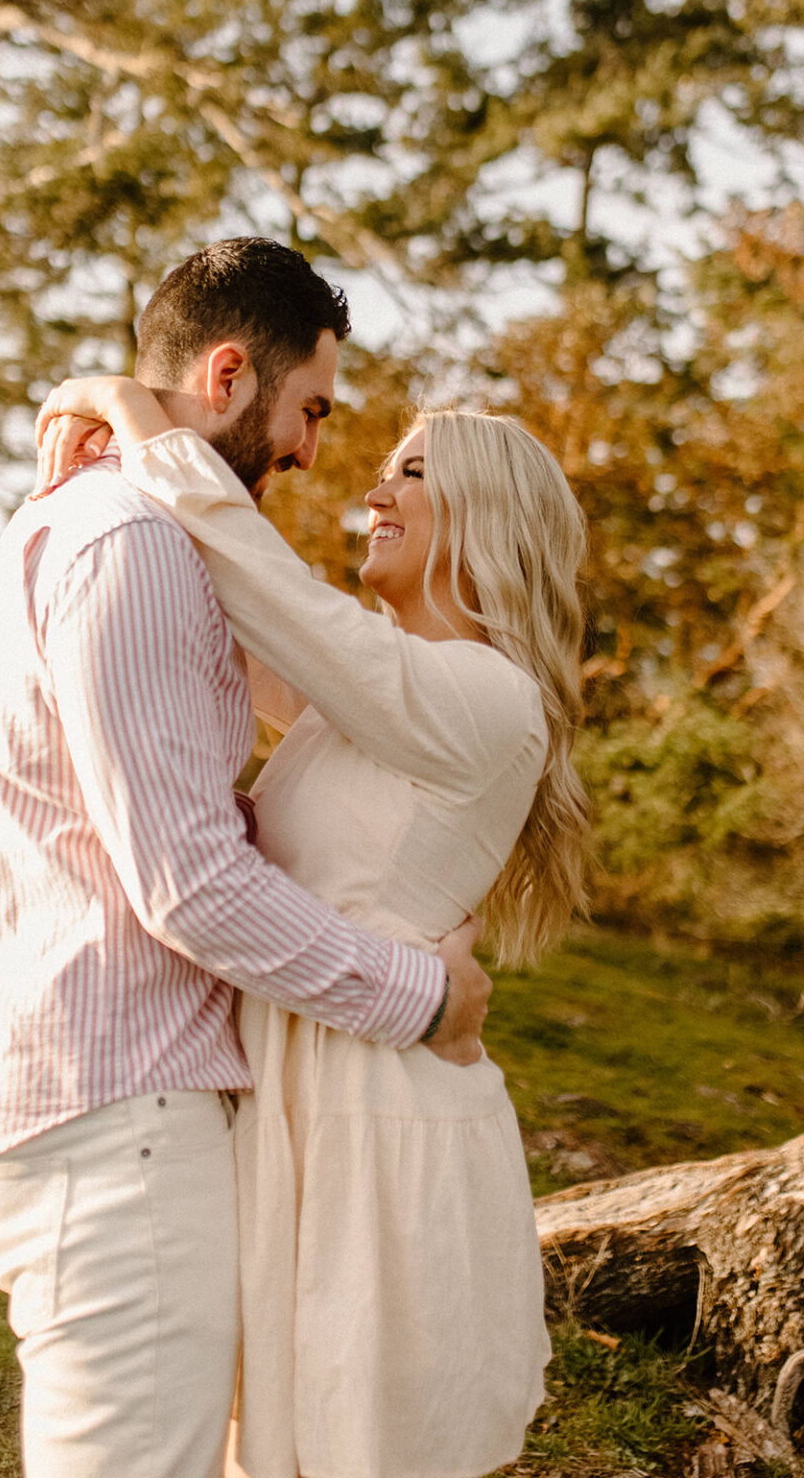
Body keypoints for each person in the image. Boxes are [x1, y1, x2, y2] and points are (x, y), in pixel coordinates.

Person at [0, 236, 495, 1478]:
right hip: (113, 1116)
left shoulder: (113, 527)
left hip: (87, 1098)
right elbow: (186, 883)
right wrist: (423, 996)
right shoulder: (130, 541)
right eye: (311, 410)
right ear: (229, 374)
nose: (311, 451)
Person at [33, 375, 590, 1478]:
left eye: (411, 472)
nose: (373, 492)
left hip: (376, 1119)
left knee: (354, 1442)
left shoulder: (485, 696)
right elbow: (209, 611)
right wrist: (106, 476)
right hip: (305, 1090)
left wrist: (134, 411)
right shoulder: (370, 700)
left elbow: (266, 587)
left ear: (487, 515)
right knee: (271, 1436)